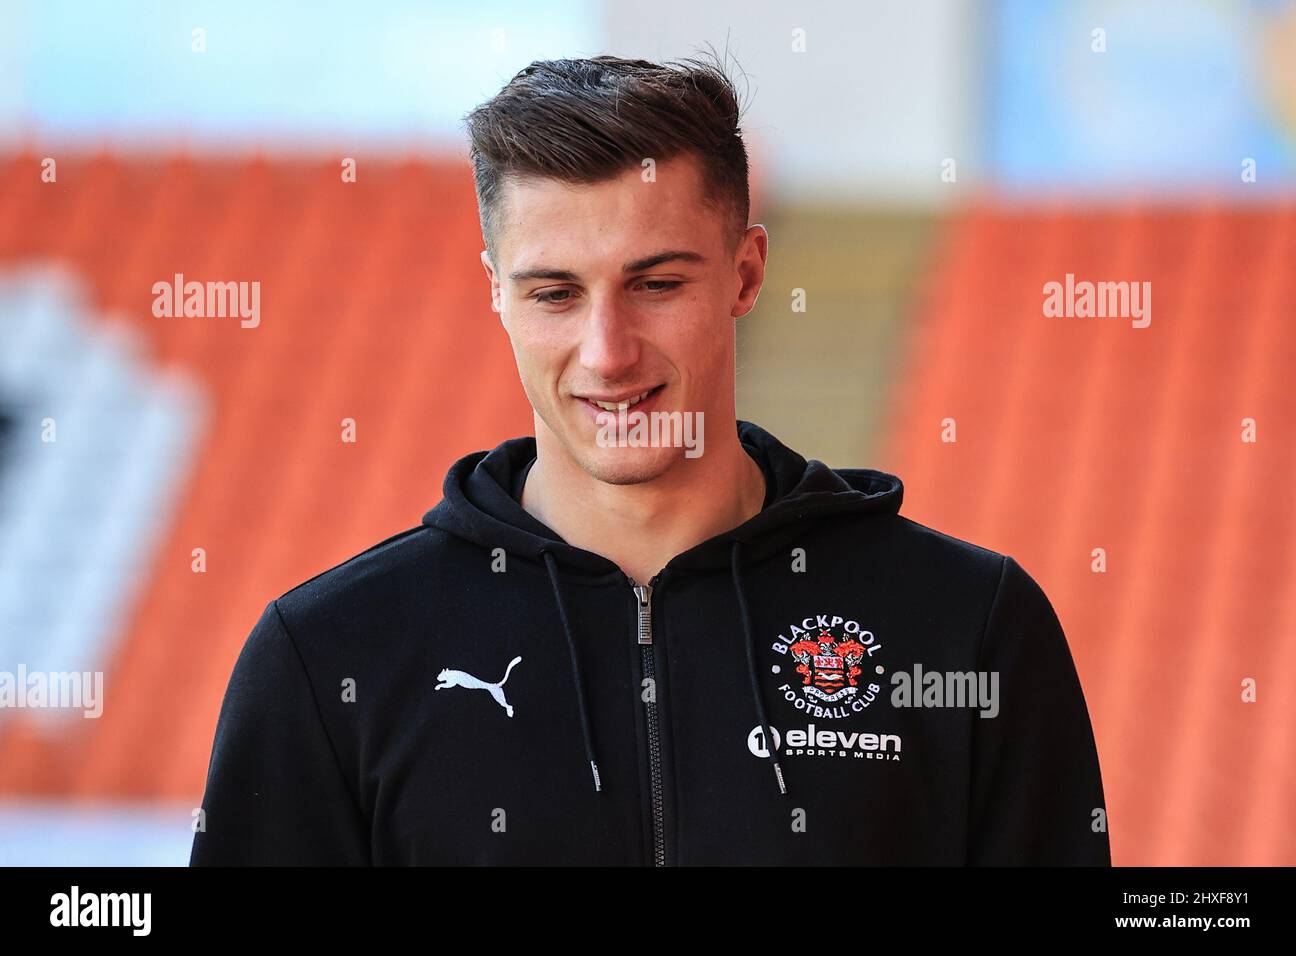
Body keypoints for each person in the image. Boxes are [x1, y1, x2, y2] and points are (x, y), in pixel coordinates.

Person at [190, 52, 1110, 866]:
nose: (608, 351)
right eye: (554, 293)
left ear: (747, 273)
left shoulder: (967, 626)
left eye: (658, 284)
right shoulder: (332, 653)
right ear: (497, 295)